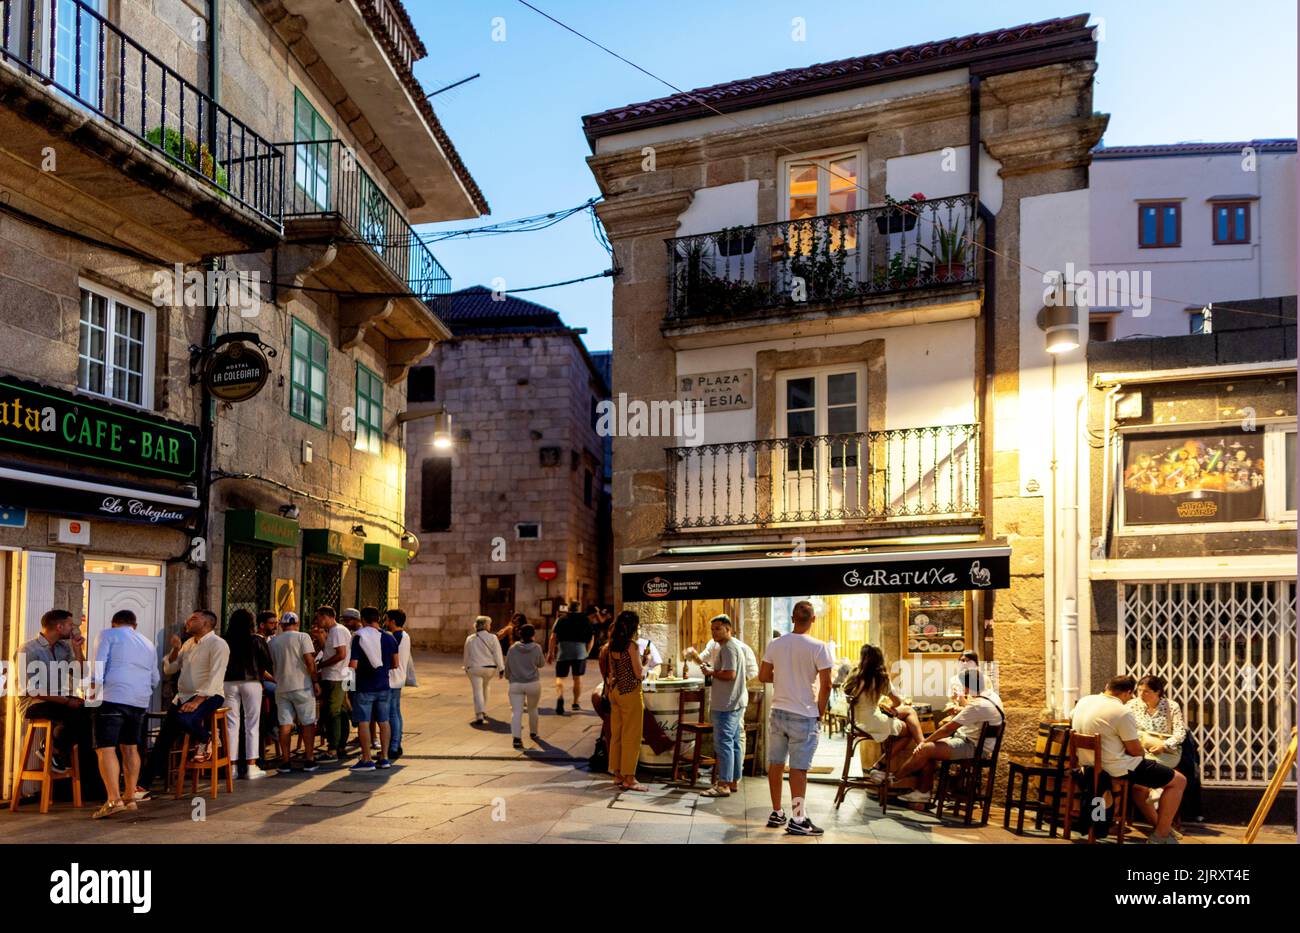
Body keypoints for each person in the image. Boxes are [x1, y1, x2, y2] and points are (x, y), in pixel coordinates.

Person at [1073, 674, 1186, 844]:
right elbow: (1136, 752)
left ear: (1107, 685)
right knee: (1179, 780)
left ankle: (1162, 828)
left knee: (1140, 787)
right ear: (1127, 693)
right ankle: (1161, 835)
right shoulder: (1122, 711)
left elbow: (1072, 719)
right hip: (1116, 767)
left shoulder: (1084, 701)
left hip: (1088, 764)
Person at [136, 610, 230, 797]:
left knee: (185, 721)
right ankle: (143, 785)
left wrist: (198, 700)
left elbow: (216, 676)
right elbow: (170, 668)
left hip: (209, 696)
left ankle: (207, 738)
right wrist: (176, 649)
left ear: (206, 623)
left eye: (194, 618)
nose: (188, 621)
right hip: (182, 697)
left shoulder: (218, 644)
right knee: (163, 740)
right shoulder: (188, 643)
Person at [759, 600, 833, 836]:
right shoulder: (818, 647)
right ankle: (798, 819)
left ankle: (777, 812)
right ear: (813, 619)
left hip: (778, 711)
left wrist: (784, 678)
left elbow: (763, 675)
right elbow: (827, 684)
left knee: (776, 764)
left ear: (792, 618)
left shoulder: (775, 643)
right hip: (804, 714)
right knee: (799, 769)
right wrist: (820, 711)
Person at [891, 667, 1003, 804]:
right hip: (973, 743)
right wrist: (962, 701)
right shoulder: (991, 696)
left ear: (968, 686)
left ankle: (893, 779)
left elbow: (947, 729)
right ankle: (922, 792)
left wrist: (924, 742)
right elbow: (973, 713)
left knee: (925, 749)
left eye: (964, 687)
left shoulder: (979, 704)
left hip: (973, 747)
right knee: (929, 750)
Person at [88, 609, 159, 819]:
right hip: (139, 699)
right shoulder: (147, 643)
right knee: (130, 747)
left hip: (112, 696)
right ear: (134, 625)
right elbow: (154, 676)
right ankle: (129, 798)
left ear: (114, 623)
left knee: (105, 748)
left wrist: (92, 693)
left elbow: (98, 666)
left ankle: (113, 799)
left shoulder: (108, 634)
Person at [16, 609, 89, 776]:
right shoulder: (28, 649)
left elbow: (81, 674)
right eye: (70, 624)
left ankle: (56, 749)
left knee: (91, 711)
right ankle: (54, 750)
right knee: (73, 714)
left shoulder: (63, 648)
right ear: (59, 626)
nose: (73, 628)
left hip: (57, 699)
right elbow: (32, 690)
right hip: (33, 704)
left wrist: (77, 650)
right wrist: (66, 701)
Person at [698, 615, 747, 797]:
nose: (714, 632)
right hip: (733, 702)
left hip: (727, 704)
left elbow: (730, 674)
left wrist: (711, 671)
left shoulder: (728, 648)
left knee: (724, 744)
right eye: (712, 629)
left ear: (728, 629)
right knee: (733, 743)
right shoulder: (730, 646)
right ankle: (733, 781)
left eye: (718, 628)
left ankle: (723, 784)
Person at [222, 608, 274, 779]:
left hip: (228, 682)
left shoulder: (225, 639)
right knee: (252, 723)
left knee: (231, 725)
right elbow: (267, 662)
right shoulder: (256, 640)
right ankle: (251, 766)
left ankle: (232, 767)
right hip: (252, 682)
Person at [267, 611, 319, 774]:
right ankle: (309, 759)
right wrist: (315, 681)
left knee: (285, 724)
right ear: (296, 623)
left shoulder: (273, 642)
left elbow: (271, 663)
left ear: (282, 625)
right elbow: (309, 661)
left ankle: (285, 761)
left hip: (281, 687)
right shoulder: (303, 637)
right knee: (308, 723)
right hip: (302, 685)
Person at [601, 611, 647, 792]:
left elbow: (615, 670)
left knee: (617, 735)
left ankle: (618, 774)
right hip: (630, 693)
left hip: (616, 692)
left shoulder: (613, 645)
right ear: (633, 627)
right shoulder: (631, 646)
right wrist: (646, 662)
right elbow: (638, 673)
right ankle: (630, 777)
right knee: (632, 736)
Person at [348, 606, 398, 771]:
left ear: (363, 620)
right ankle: (384, 758)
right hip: (384, 685)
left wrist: (347, 683)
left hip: (364, 686)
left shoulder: (359, 638)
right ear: (379, 619)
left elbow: (353, 665)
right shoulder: (390, 638)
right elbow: (395, 664)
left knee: (363, 721)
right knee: (384, 721)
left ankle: (366, 759)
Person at [315, 606, 351, 762]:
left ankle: (333, 749)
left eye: (318, 617)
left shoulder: (337, 631)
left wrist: (321, 666)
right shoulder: (336, 631)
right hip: (342, 675)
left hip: (336, 676)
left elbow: (341, 654)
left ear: (325, 616)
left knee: (333, 712)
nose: (317, 621)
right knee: (341, 711)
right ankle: (341, 745)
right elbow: (329, 650)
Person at [1127, 674, 1185, 768]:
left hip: (1165, 751)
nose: (1141, 694)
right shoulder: (1131, 705)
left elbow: (1180, 733)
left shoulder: (1171, 706)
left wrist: (1164, 746)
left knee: (1152, 767)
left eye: (1146, 691)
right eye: (1139, 690)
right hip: (1138, 750)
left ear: (1157, 691)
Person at [548, 601, 593, 714]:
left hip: (563, 650)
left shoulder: (561, 619)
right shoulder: (585, 619)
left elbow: (553, 637)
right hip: (580, 651)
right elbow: (591, 637)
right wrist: (587, 651)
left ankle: (560, 698)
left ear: (568, 609)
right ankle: (576, 703)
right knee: (577, 678)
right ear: (579, 608)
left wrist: (550, 652)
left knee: (560, 677)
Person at [504, 624, 546, 749]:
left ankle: (517, 739)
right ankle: (533, 732)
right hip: (533, 683)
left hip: (516, 684)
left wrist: (509, 678)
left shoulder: (512, 648)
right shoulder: (537, 648)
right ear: (533, 634)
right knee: (533, 709)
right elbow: (541, 664)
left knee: (516, 712)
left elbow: (507, 667)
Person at [463, 615, 505, 724]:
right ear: (486, 625)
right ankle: (484, 710)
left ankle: (479, 714)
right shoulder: (493, 637)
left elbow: (466, 655)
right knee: (485, 687)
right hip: (489, 669)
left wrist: (466, 667)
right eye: (489, 624)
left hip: (474, 668)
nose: (490, 626)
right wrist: (501, 668)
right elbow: (497, 654)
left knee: (477, 690)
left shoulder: (470, 638)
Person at [385, 609, 411, 760]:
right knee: (395, 712)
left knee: (391, 714)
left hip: (392, 678)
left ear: (393, 621)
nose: (386, 622)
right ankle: (396, 744)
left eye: (387, 619)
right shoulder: (404, 635)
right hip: (398, 677)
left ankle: (393, 746)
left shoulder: (396, 637)